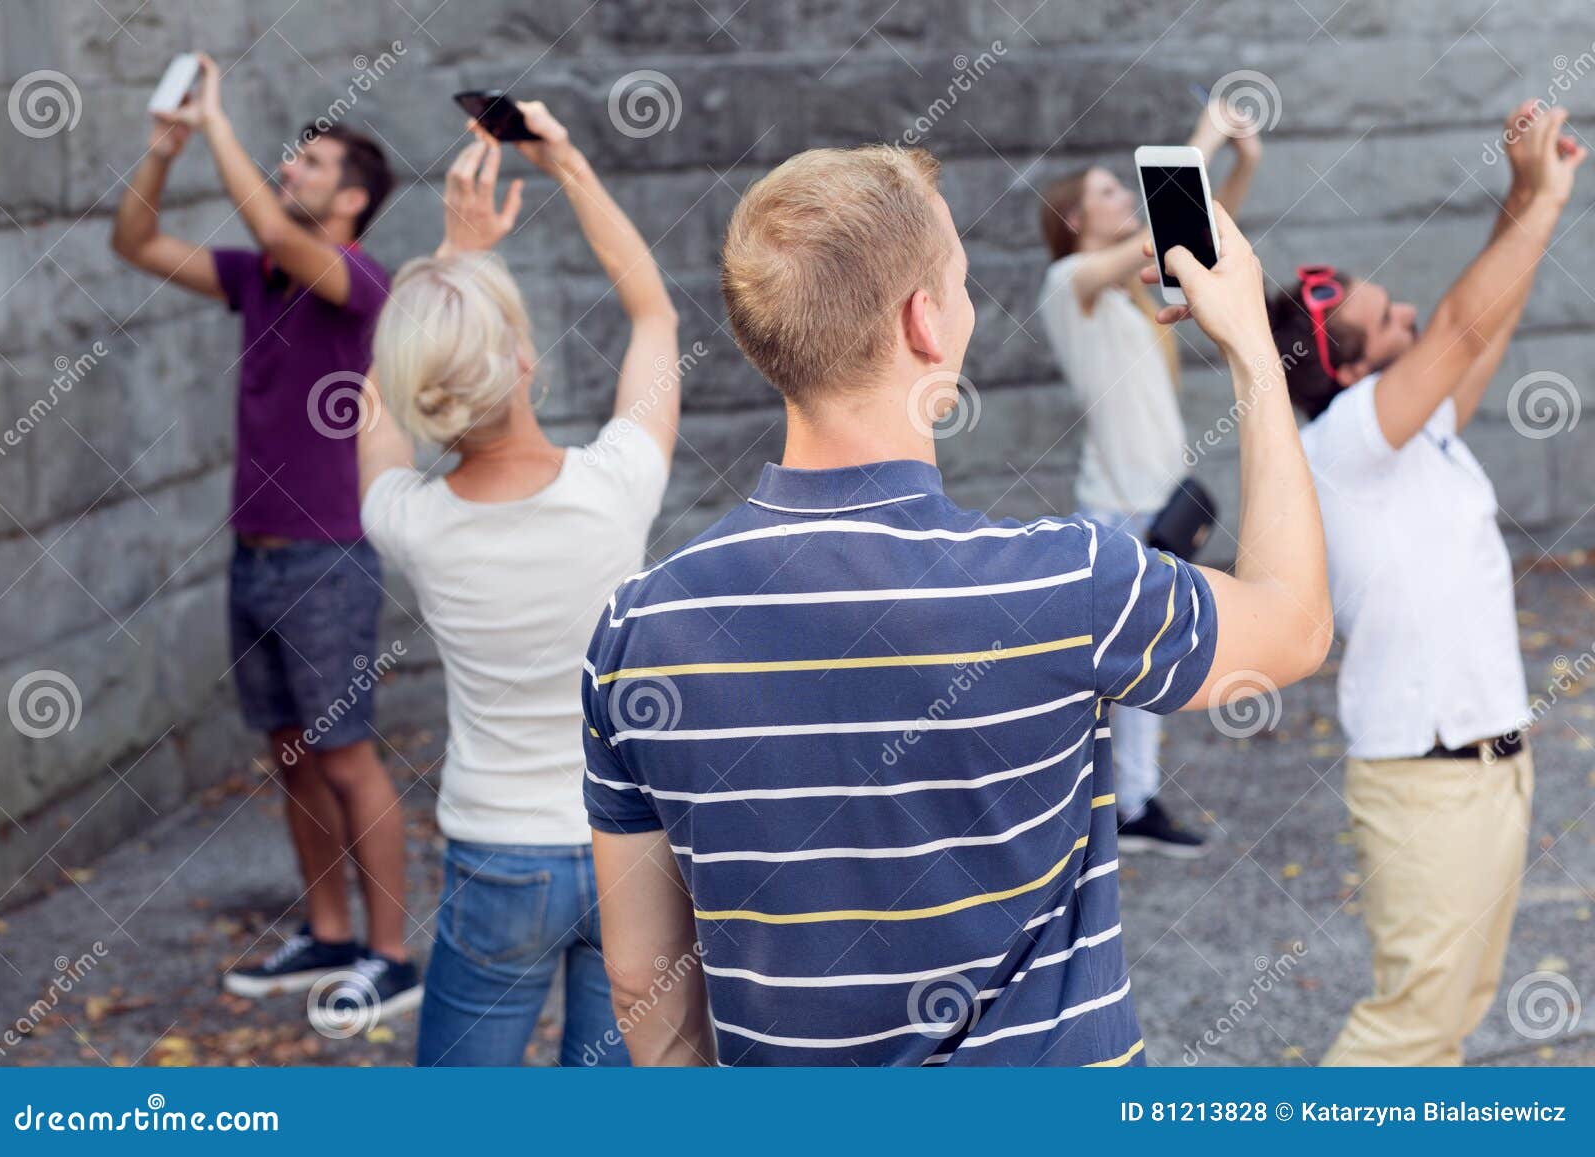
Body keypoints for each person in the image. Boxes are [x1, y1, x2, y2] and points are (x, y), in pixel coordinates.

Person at [581, 144, 1331, 1066]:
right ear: (925, 322)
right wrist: (1255, 345)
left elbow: (642, 976)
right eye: (962, 281)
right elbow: (1294, 623)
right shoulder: (1065, 583)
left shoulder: (637, 629)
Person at [358, 103, 680, 1065]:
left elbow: (381, 390)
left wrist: (451, 260)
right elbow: (654, 309)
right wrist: (569, 164)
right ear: (526, 362)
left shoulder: (408, 521)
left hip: (500, 856)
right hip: (632, 849)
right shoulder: (619, 488)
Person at [1266, 102, 1584, 1066]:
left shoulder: (1418, 437)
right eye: (1383, 319)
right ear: (1348, 366)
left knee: (1448, 1021)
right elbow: (1457, 320)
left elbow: (1486, 321)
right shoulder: (1344, 444)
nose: (1407, 312)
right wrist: (1547, 198)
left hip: (1491, 767)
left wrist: (1525, 198)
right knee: (1405, 1030)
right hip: (1427, 783)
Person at [109, 54, 418, 1018]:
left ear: (354, 196)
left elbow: (274, 226)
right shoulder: (259, 279)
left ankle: (394, 952)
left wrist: (218, 125)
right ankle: (328, 936)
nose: (295, 169)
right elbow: (136, 242)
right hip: (257, 553)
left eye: (314, 163)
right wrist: (165, 150)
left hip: (328, 558)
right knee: (289, 752)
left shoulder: (360, 279)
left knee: (346, 755)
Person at [1035, 100, 1263, 857]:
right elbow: (1149, 237)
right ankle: (1116, 805)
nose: (1117, 198)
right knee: (1119, 671)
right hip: (1117, 512)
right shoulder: (1070, 285)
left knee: (1148, 666)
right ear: (1071, 218)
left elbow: (1189, 249)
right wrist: (1196, 139)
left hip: (1155, 504)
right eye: (1102, 191)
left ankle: (1133, 801)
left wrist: (1243, 164)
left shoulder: (1128, 293)